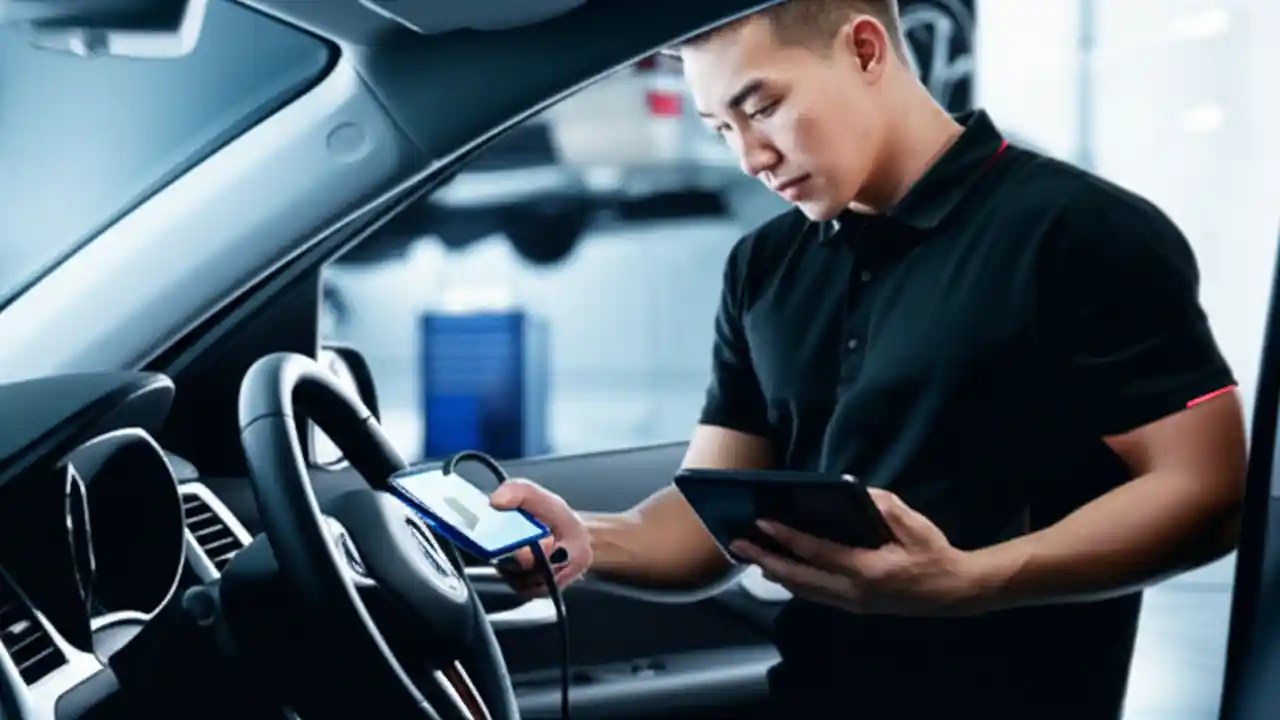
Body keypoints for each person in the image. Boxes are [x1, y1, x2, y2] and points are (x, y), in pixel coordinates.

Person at [487, 1, 1248, 716]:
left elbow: (1206, 492)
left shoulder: (1082, 231)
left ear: (863, 49)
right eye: (721, 127)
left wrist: (967, 583)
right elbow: (706, 523)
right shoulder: (763, 265)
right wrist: (586, 538)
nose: (750, 156)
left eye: (762, 107)